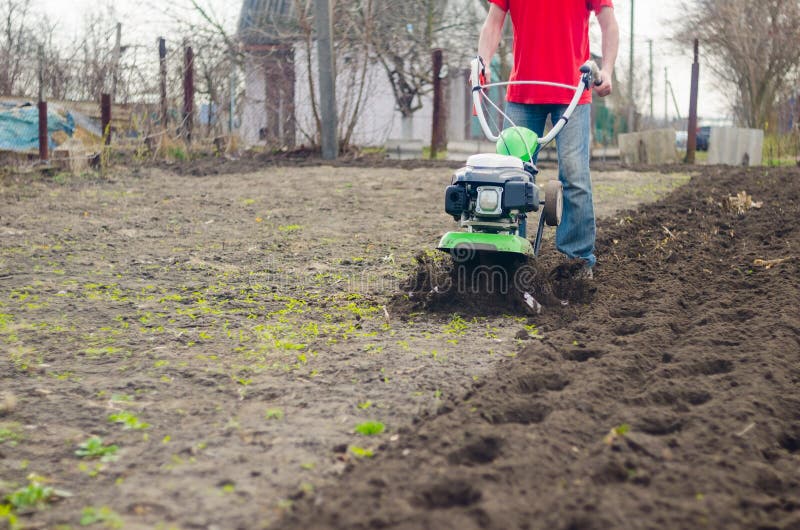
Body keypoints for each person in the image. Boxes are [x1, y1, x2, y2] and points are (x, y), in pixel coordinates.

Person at [478, 0, 619, 279]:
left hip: (573, 92)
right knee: (510, 176)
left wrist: (608, 70)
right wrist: (481, 63)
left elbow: (609, 23)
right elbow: (493, 22)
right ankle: (510, 254)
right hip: (522, 92)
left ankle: (577, 261)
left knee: (575, 174)